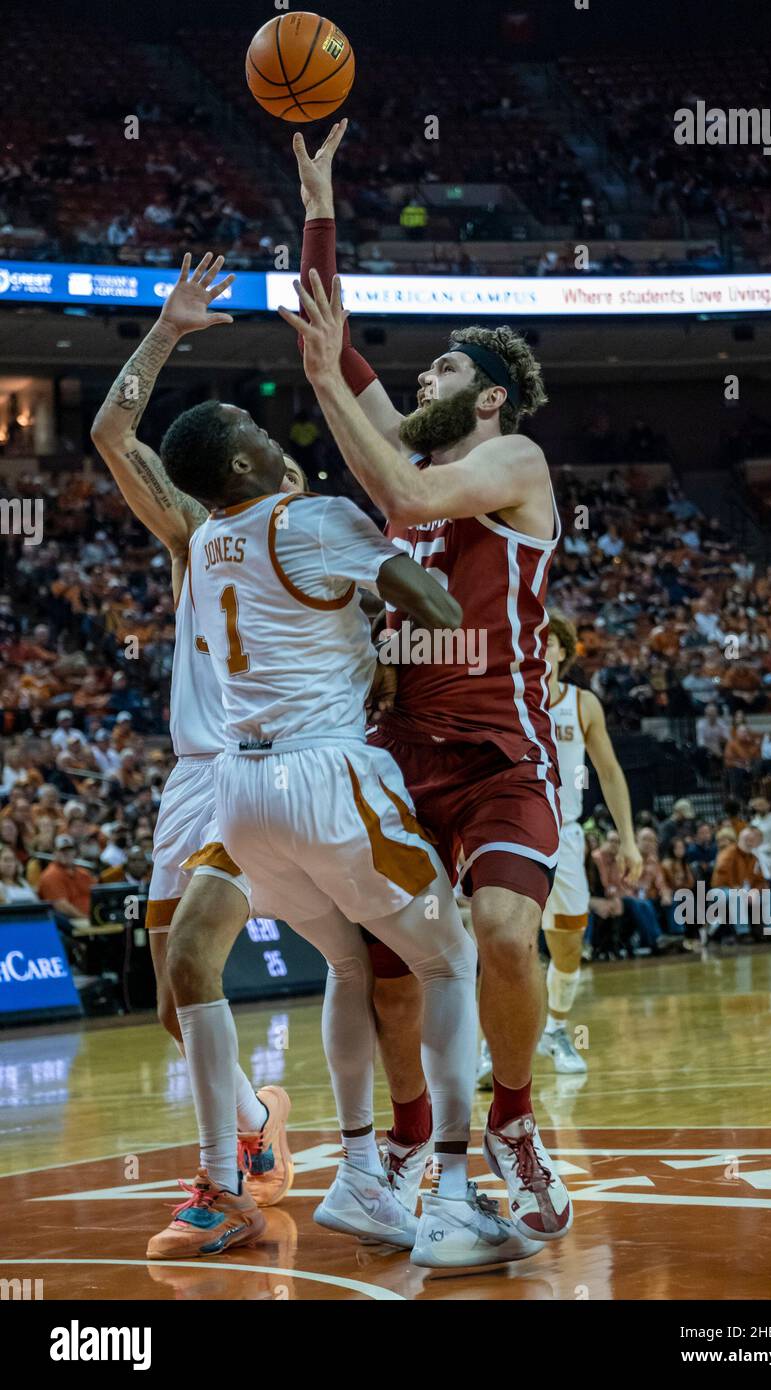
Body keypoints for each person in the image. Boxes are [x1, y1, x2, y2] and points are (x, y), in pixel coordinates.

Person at [161, 382, 539, 1271]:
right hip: (323, 772)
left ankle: (362, 1172)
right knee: (449, 958)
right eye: (255, 426)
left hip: (241, 792)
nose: (272, 431)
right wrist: (401, 597)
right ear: (246, 464)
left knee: (347, 961)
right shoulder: (316, 517)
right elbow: (437, 607)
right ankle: (451, 1192)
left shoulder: (209, 540)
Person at [282, 119, 573, 1241]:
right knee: (388, 964)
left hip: (498, 749)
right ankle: (404, 1141)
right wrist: (319, 202)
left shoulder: (512, 464)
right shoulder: (407, 454)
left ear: (490, 396)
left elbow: (401, 492)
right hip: (395, 749)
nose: (423, 375)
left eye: (445, 366)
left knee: (502, 931)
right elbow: (330, 330)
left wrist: (340, 397)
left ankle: (509, 1118)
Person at [91, 252, 296, 1257]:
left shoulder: (317, 545)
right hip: (191, 781)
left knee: (204, 960)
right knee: (175, 1002)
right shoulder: (194, 535)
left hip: (269, 774)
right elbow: (109, 433)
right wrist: (168, 329)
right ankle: (260, 1119)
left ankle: (226, 1185)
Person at [534, 612, 640, 1074]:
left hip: (567, 833)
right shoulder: (506, 699)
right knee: (506, 944)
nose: (540, 649)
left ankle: (555, 1028)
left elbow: (610, 772)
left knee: (568, 945)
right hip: (514, 834)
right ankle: (491, 1048)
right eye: (532, 641)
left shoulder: (583, 704)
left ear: (562, 651)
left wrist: (630, 842)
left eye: (549, 642)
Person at [37, 834, 94, 933]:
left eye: (69, 850)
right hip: (71, 923)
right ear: (55, 853)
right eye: (62, 851)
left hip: (92, 919)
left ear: (75, 852)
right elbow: (61, 906)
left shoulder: (84, 874)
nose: (66, 854)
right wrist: (86, 918)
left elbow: (97, 894)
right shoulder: (50, 875)